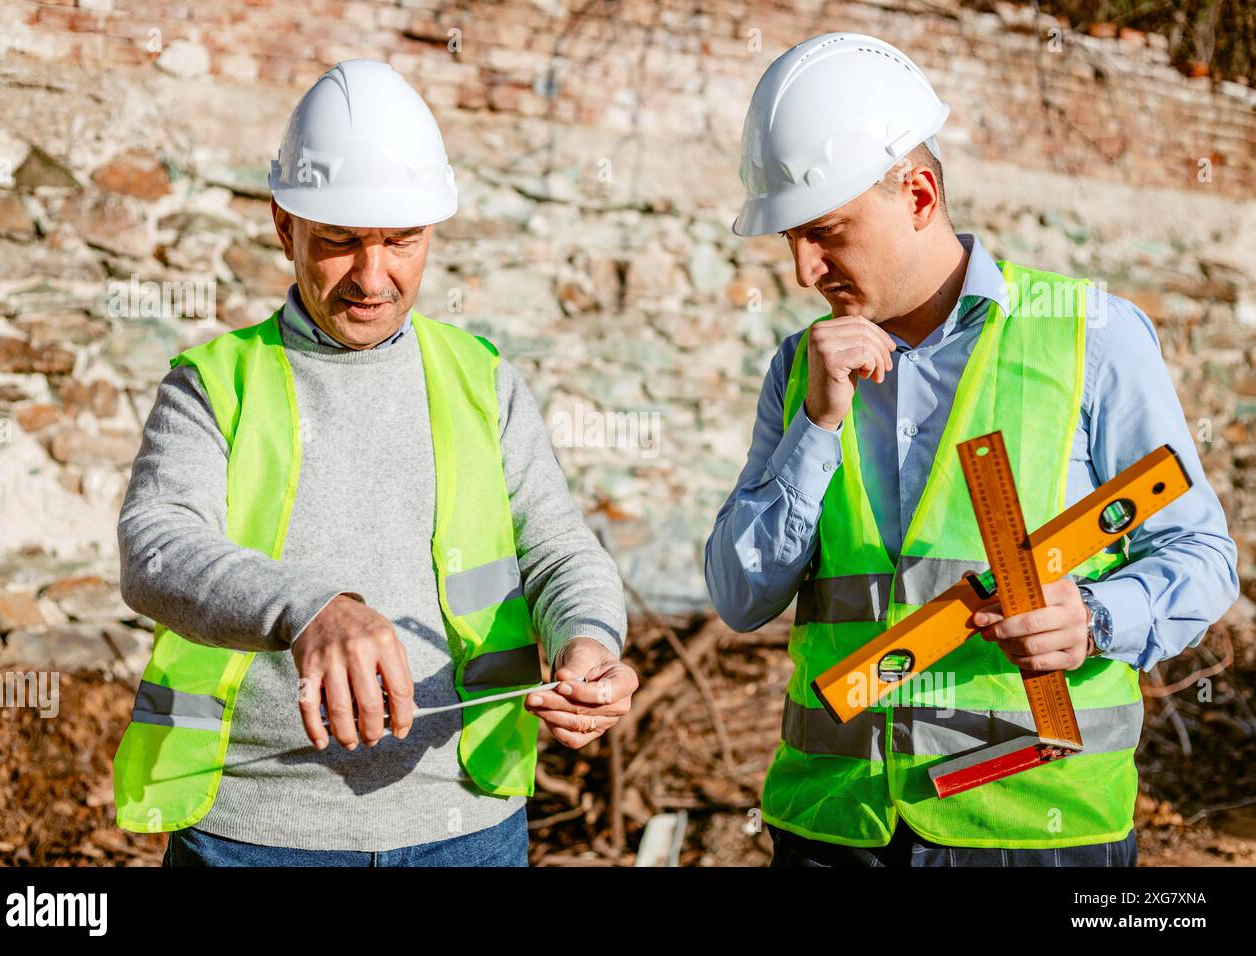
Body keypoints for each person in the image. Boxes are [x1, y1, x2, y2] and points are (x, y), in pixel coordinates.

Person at [705, 33, 1238, 867]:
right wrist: (815, 430)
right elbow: (740, 596)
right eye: (790, 240)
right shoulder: (803, 367)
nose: (806, 269)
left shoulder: (1089, 337)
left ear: (918, 194)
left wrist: (1096, 620)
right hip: (835, 831)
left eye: (827, 232)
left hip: (1035, 828)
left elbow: (1203, 555)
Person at [112, 60, 637, 867]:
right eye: (340, 242)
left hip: (467, 825)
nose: (372, 276)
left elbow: (558, 549)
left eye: (401, 241)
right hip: (256, 832)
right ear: (284, 224)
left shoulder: (483, 379)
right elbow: (156, 547)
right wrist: (310, 609)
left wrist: (590, 641)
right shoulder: (215, 382)